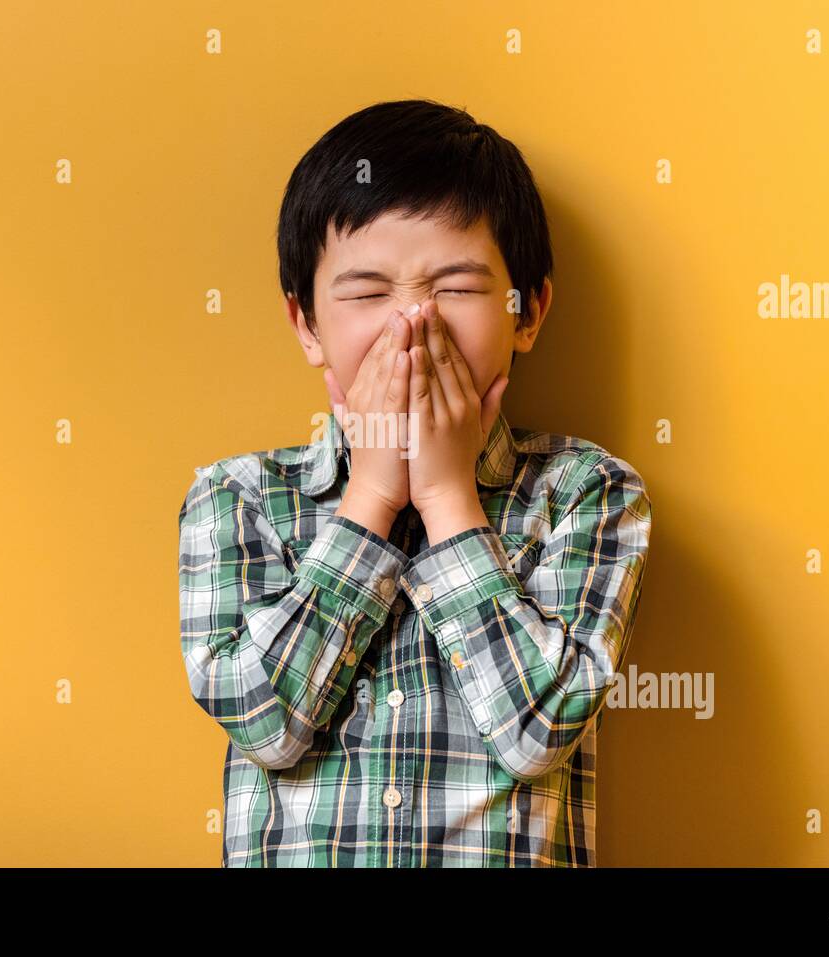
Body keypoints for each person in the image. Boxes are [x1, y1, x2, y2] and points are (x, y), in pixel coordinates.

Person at [177, 98, 653, 866]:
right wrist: (372, 494)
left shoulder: (587, 493)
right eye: (369, 294)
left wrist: (444, 496)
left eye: (457, 288)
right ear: (305, 324)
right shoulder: (236, 498)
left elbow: (538, 734)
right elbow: (267, 723)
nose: (413, 324)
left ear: (527, 311)